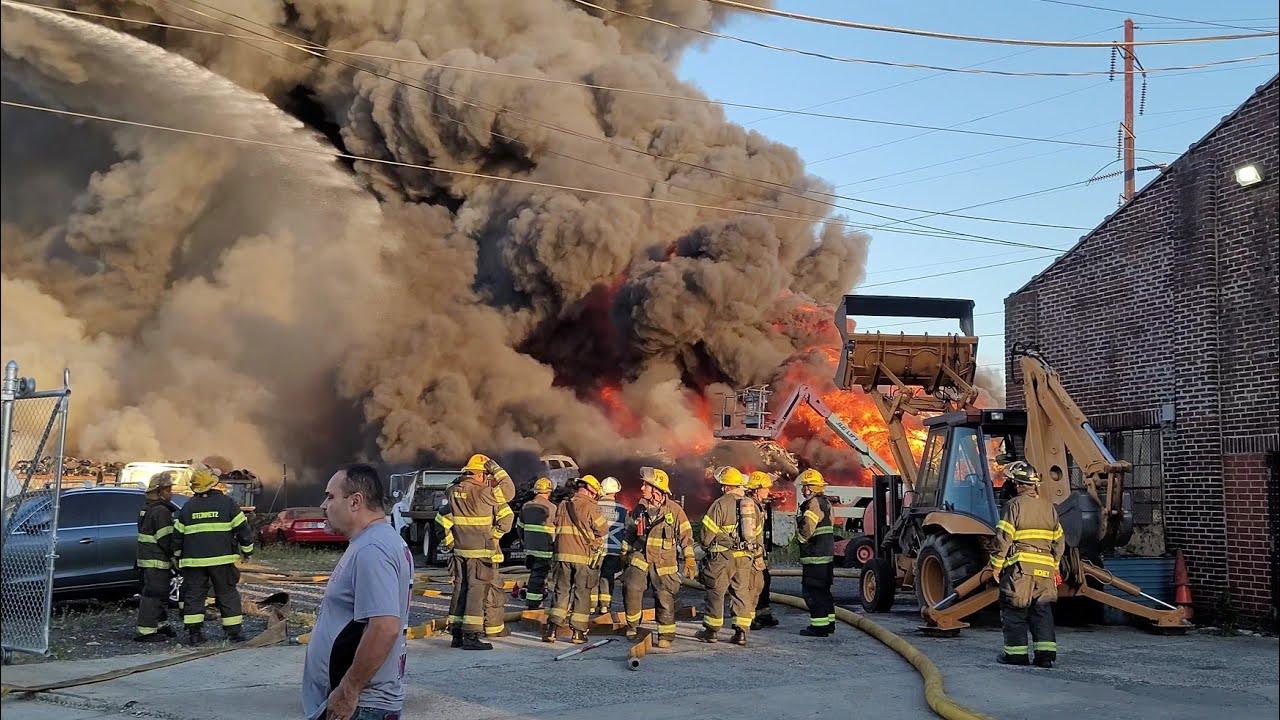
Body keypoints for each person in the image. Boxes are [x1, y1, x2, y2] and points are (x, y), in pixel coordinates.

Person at [303, 464, 412, 720]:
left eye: (330, 496)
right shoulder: (374, 541)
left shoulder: (373, 548)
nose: (324, 505)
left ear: (355, 501)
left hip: (361, 706)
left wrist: (348, 691)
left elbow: (384, 628)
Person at [435, 454, 514, 651]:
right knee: (476, 593)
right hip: (479, 553)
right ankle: (471, 636)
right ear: (480, 475)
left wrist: (450, 543)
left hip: (460, 551)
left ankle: (456, 634)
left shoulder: (453, 491)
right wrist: (496, 468)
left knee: (460, 590)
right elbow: (509, 491)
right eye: (485, 475)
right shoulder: (483, 492)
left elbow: (447, 495)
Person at [991, 460, 1065, 669]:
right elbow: (1059, 541)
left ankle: (1016, 655)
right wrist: (1054, 566)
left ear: (1018, 484)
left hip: (1021, 569)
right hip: (1046, 569)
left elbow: (1004, 538)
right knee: (1041, 611)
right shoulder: (1049, 508)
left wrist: (996, 565)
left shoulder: (1014, 505)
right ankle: (1045, 657)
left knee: (1015, 608)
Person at [173, 464, 255, 645]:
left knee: (195, 595)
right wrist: (247, 551)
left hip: (194, 563)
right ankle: (234, 633)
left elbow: (177, 536)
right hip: (222, 561)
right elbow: (243, 530)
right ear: (213, 483)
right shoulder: (227, 503)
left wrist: (177, 555)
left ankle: (194, 634)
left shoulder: (187, 507)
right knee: (227, 593)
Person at [620, 467, 694, 648]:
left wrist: (690, 559)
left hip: (664, 561)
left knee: (664, 596)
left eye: (646, 485)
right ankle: (632, 626)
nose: (642, 488)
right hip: (641, 557)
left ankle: (665, 634)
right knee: (631, 587)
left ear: (656, 489)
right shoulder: (640, 509)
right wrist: (624, 552)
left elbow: (686, 536)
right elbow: (630, 532)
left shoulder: (675, 510)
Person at [696, 467, 762, 646]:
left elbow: (706, 534)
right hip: (746, 557)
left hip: (723, 557)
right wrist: (757, 556)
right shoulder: (753, 506)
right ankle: (741, 633)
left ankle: (711, 632)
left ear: (726, 486)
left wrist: (705, 547)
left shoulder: (720, 504)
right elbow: (758, 535)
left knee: (716, 592)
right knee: (741, 593)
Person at [545, 475, 607, 644]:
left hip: (561, 556)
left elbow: (555, 524)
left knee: (561, 591)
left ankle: (552, 630)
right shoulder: (591, 506)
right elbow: (602, 529)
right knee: (582, 593)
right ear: (592, 491)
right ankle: (578, 633)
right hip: (582, 557)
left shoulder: (563, 505)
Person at [134, 472, 179, 642]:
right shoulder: (161, 511)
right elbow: (165, 539)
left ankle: (160, 624)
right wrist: (175, 556)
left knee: (160, 593)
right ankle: (146, 632)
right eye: (168, 490)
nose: (171, 493)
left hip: (149, 559)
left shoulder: (147, 509)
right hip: (156, 560)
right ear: (159, 492)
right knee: (153, 595)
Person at [795, 468, 835, 637]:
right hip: (825, 556)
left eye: (804, 486)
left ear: (809, 488)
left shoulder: (813, 504)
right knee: (824, 592)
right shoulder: (826, 502)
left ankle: (819, 627)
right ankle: (829, 624)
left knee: (813, 592)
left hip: (815, 557)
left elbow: (807, 528)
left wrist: (800, 540)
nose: (802, 490)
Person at [483, 460, 517, 640]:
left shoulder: (457, 494)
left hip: (464, 554)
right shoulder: (491, 497)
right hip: (489, 555)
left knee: (469, 591)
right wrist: (494, 537)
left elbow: (442, 519)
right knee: (493, 591)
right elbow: (507, 518)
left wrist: (452, 543)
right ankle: (493, 628)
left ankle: (466, 630)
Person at [517, 477, 557, 610]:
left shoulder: (526, 506)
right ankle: (534, 604)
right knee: (539, 576)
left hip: (530, 549)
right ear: (549, 492)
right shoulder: (552, 508)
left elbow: (519, 527)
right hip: (544, 549)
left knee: (535, 574)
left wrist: (525, 541)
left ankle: (539, 596)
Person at [746, 471, 779, 630]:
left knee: (763, 582)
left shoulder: (760, 505)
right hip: (753, 554)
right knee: (752, 586)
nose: (768, 491)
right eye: (765, 488)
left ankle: (763, 614)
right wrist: (756, 555)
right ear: (756, 489)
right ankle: (747, 619)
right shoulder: (749, 506)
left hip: (761, 552)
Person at [594, 476, 627, 614]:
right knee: (607, 576)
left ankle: (591, 605)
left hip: (597, 548)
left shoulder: (595, 506)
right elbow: (626, 529)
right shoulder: (622, 509)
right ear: (616, 491)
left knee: (593, 575)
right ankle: (604, 606)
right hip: (614, 549)